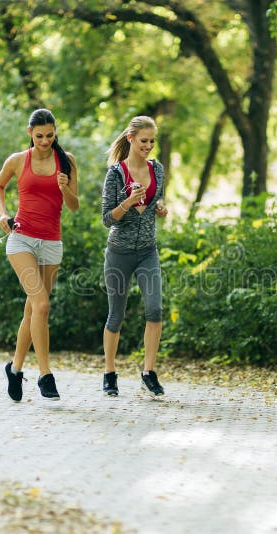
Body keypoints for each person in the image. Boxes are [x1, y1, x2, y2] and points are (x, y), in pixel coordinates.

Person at [0, 108, 79, 402]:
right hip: (21, 240)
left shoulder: (67, 163)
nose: (45, 140)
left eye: (50, 135)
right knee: (42, 305)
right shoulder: (17, 161)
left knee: (33, 311)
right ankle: (45, 375)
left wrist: (65, 188)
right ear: (30, 133)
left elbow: (75, 206)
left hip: (52, 242)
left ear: (56, 133)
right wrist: (3, 213)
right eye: (39, 136)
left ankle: (15, 369)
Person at [100, 115, 169, 397]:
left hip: (147, 252)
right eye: (144, 141)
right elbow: (107, 219)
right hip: (119, 253)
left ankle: (148, 372)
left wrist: (161, 206)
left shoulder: (158, 169)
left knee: (155, 310)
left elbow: (158, 198)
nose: (149, 146)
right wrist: (127, 202)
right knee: (116, 316)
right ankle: (109, 373)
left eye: (152, 141)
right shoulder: (116, 174)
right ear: (130, 139)